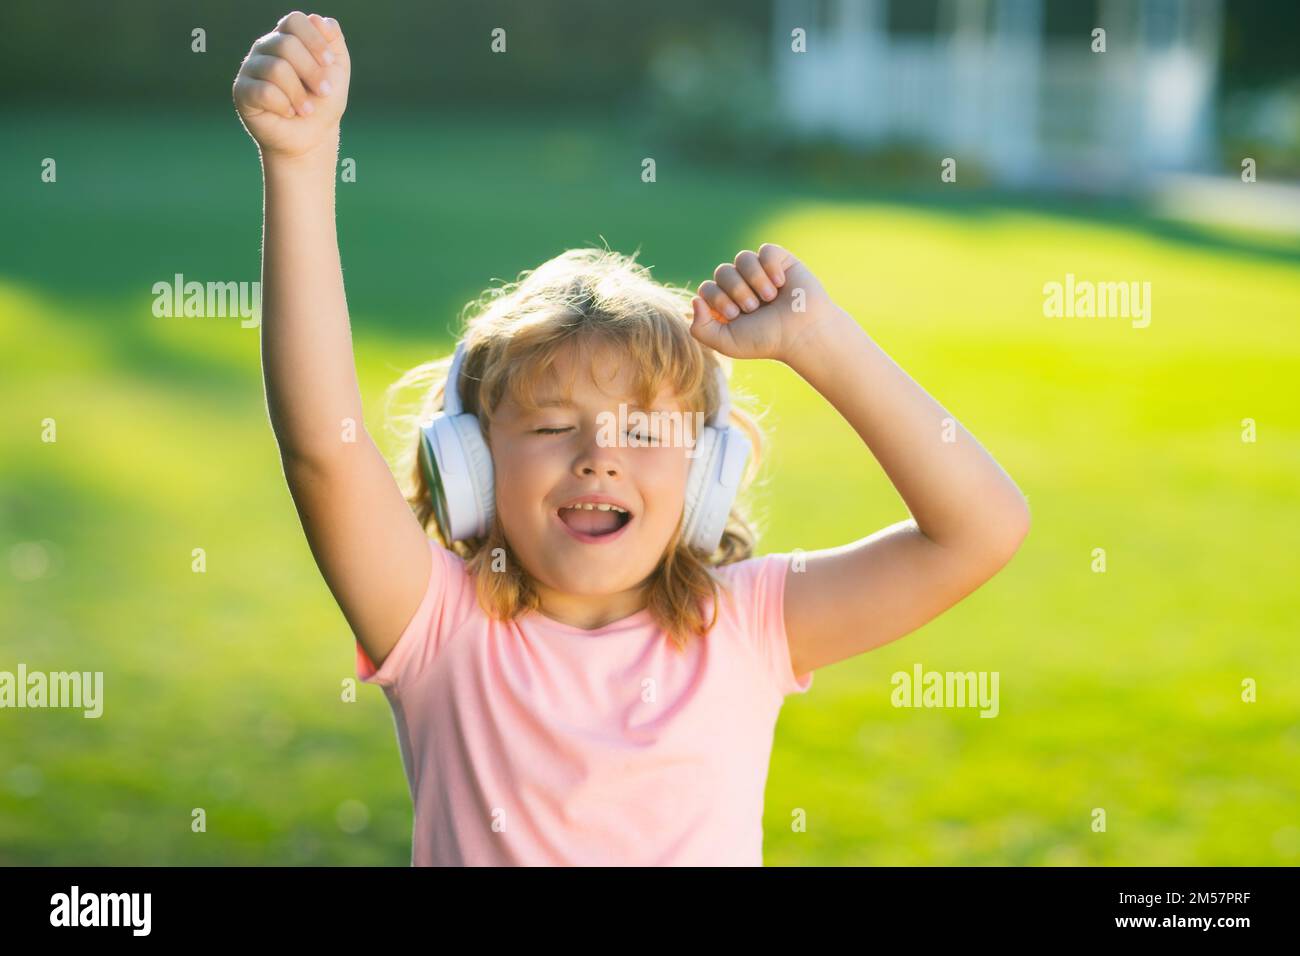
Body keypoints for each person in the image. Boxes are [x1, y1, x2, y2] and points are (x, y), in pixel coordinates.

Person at [232, 11, 1030, 866]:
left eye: (644, 430)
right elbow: (323, 446)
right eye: (548, 425)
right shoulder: (436, 626)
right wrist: (302, 161)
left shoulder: (749, 626)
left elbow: (980, 530)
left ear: (704, 475)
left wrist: (822, 342)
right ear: (469, 465)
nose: (598, 455)